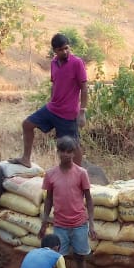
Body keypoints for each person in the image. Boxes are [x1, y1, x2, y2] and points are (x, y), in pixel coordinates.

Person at [13, 33, 88, 168]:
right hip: (53, 108)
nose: (65, 52)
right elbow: (55, 83)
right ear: (55, 51)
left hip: (68, 113)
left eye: (67, 48)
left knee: (73, 144)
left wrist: (82, 112)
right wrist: (52, 100)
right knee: (27, 124)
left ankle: (78, 174)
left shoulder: (77, 63)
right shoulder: (53, 63)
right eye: (61, 50)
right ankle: (26, 159)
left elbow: (84, 87)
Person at [41, 136, 95, 268]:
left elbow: (89, 199)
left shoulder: (81, 173)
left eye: (69, 151)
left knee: (81, 257)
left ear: (74, 153)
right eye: (63, 151)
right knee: (58, 259)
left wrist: (91, 224)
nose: (66, 155)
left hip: (79, 222)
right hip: (60, 224)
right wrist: (44, 222)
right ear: (57, 152)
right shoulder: (50, 174)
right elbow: (49, 199)